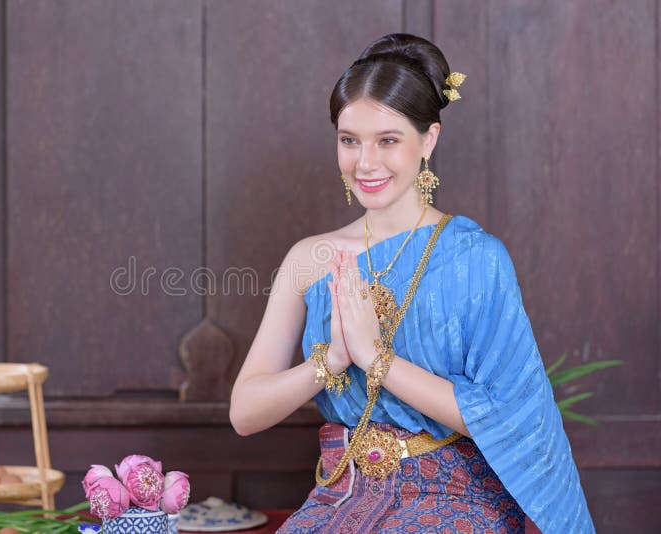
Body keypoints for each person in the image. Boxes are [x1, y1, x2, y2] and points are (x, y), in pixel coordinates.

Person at [229, 33, 595, 533]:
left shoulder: (474, 259)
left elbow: (506, 415)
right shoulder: (309, 259)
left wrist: (376, 358)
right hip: (341, 491)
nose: (365, 163)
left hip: (457, 496)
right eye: (349, 140)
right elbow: (245, 413)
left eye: (388, 140)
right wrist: (330, 362)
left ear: (428, 140)